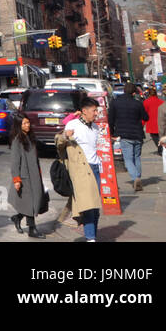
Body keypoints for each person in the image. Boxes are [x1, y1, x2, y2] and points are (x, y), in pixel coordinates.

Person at [56, 97, 103, 242]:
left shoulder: (95, 127)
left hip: (95, 168)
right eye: (94, 110)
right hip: (82, 170)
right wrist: (65, 136)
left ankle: (92, 235)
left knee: (95, 208)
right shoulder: (73, 124)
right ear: (84, 111)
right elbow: (58, 143)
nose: (96, 113)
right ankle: (90, 238)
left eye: (97, 110)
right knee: (88, 206)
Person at [8, 115, 46, 239]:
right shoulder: (17, 140)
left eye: (28, 123)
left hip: (34, 175)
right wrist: (16, 179)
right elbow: (14, 162)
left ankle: (17, 217)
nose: (27, 125)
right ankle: (32, 229)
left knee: (35, 201)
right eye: (24, 123)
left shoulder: (29, 137)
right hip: (25, 176)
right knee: (30, 203)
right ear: (18, 125)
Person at [107, 83, 148, 191]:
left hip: (123, 134)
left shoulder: (115, 103)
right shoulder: (138, 103)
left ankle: (135, 178)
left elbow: (110, 119)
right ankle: (138, 177)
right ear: (134, 92)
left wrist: (112, 133)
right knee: (137, 157)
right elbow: (145, 117)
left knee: (128, 158)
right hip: (137, 133)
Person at [144, 87, 164, 151]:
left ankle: (160, 148)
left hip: (151, 124)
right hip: (161, 123)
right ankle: (162, 148)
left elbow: (145, 114)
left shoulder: (146, 102)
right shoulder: (161, 102)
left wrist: (142, 123)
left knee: (155, 138)